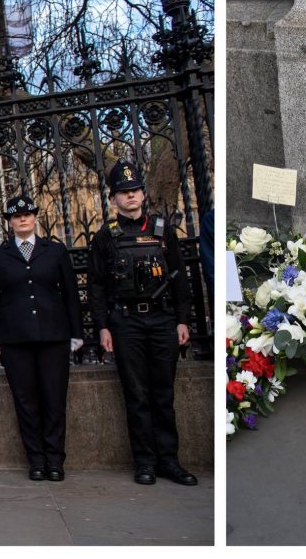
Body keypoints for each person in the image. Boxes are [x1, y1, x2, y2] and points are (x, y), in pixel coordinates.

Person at [87, 160, 197, 486]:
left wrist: (183, 320)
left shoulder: (163, 230)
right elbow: (97, 286)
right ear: (113, 199)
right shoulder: (106, 236)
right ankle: (145, 462)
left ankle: (169, 461)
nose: (130, 196)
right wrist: (103, 326)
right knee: (136, 395)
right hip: (126, 322)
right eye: (123, 192)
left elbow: (180, 277)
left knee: (163, 394)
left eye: (135, 190)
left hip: (162, 319)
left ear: (143, 194)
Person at [0, 195, 84, 482]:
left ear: (35, 218)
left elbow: (71, 295)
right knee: (26, 401)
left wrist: (76, 333)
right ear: (10, 222)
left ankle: (55, 459)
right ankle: (36, 459)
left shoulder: (55, 251)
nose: (23, 219)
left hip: (54, 336)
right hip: (15, 339)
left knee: (54, 399)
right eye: (17, 216)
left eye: (27, 214)